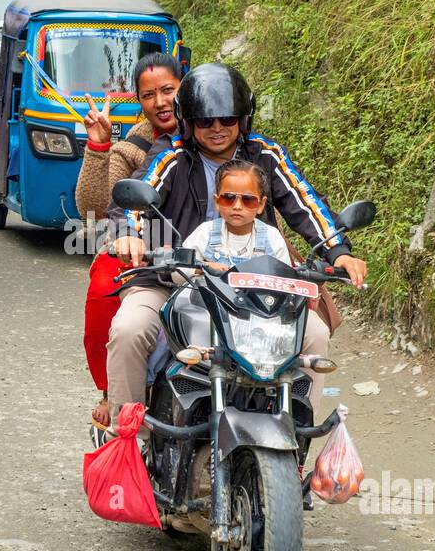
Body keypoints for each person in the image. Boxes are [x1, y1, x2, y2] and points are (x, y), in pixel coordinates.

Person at [104, 62, 366, 424]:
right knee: (129, 330)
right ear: (187, 120)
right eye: (204, 120)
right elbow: (133, 200)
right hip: (175, 280)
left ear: (243, 119)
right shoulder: (170, 154)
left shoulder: (266, 155)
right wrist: (129, 235)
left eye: (227, 119)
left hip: (255, 289)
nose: (216, 129)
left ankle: (294, 439)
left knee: (316, 335)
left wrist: (339, 250)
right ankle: (129, 438)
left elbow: (305, 202)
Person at [74, 52, 182, 426]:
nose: (160, 102)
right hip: (142, 246)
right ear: (139, 103)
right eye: (149, 95)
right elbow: (94, 208)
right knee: (104, 285)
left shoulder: (213, 133)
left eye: (168, 90)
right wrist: (100, 147)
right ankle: (112, 391)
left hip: (211, 244)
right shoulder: (135, 148)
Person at [182, 159, 290, 271]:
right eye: (228, 198)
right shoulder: (204, 232)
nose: (237, 206)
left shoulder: (272, 237)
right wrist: (202, 268)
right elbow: (177, 271)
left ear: (261, 205)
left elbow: (287, 279)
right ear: (217, 202)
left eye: (248, 199)